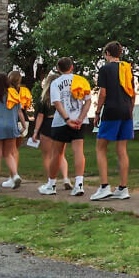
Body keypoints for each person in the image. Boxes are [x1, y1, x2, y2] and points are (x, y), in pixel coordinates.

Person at [91, 42, 136, 202]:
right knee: (122, 150)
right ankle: (123, 188)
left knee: (100, 148)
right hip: (126, 110)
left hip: (111, 109)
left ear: (108, 53)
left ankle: (104, 186)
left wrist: (97, 112)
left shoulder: (105, 69)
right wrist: (130, 109)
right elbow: (133, 93)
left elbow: (103, 93)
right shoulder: (127, 68)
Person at [42, 58, 86, 196]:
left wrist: (67, 119)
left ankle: (51, 184)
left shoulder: (56, 82)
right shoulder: (81, 81)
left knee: (57, 153)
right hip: (79, 119)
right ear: (71, 67)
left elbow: (56, 102)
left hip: (61, 121)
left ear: (58, 69)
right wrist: (80, 117)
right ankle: (79, 184)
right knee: (78, 151)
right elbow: (88, 100)